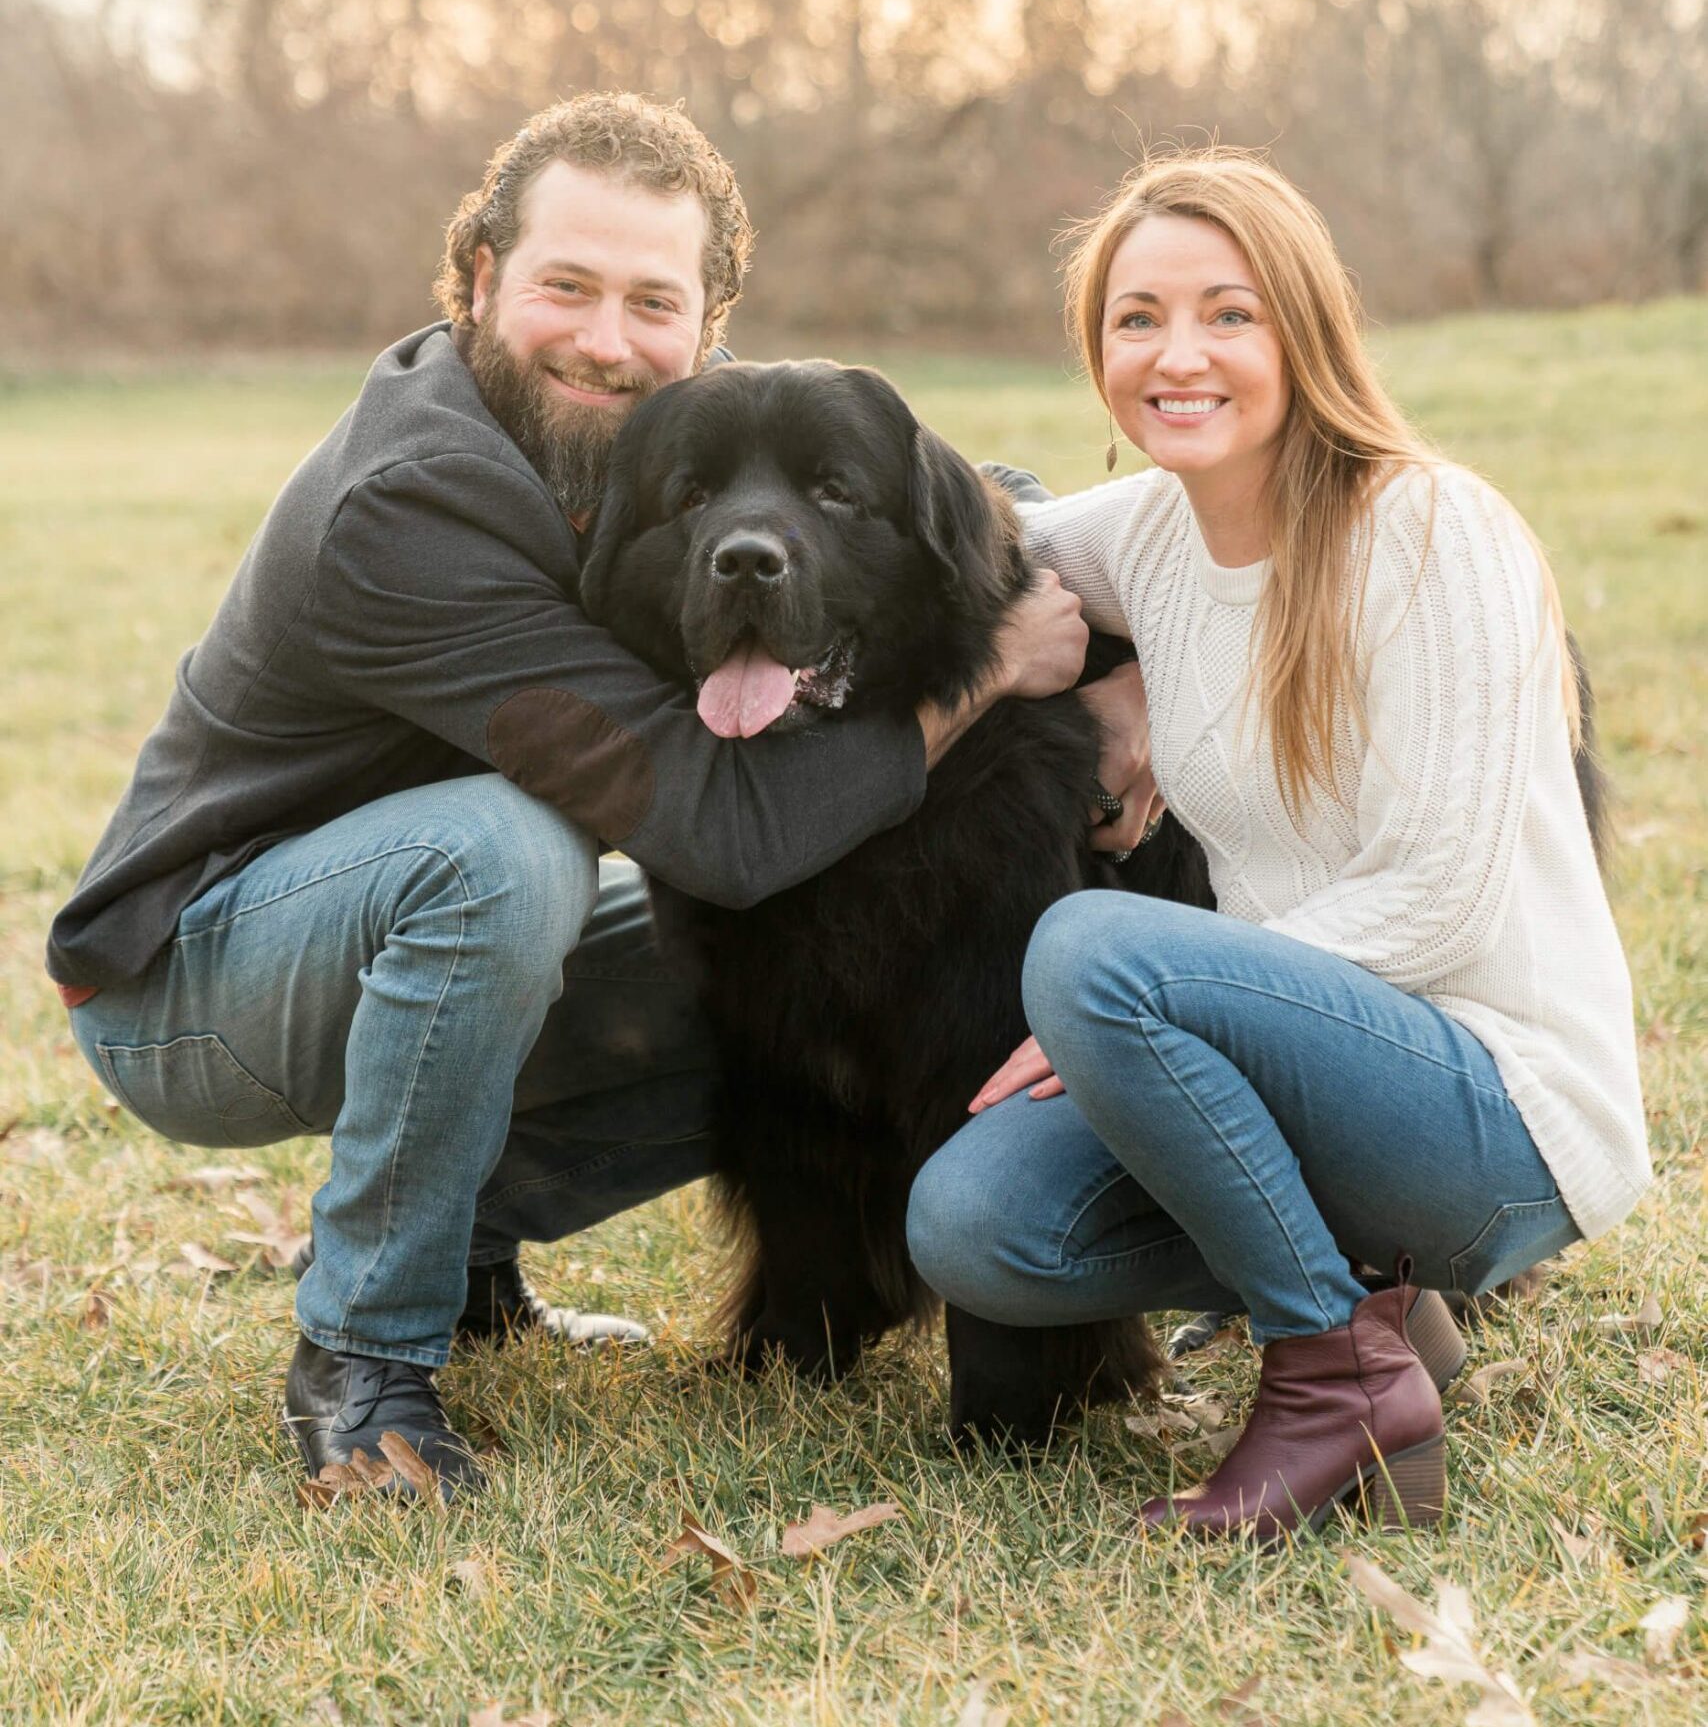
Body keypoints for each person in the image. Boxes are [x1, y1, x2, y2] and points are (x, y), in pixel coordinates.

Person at [46, 93, 1095, 1498]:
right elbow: (723, 831)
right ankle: (365, 1353)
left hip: (379, 942)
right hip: (194, 981)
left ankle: (480, 1259)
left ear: (708, 324)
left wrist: (1121, 659)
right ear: (479, 276)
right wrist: (989, 674)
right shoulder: (408, 511)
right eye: (565, 286)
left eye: (650, 299)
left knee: (758, 958)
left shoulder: (649, 453)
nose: (606, 338)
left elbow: (956, 493)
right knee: (507, 862)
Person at [906, 149, 1651, 1542]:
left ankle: (1330, 1371)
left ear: (1304, 328)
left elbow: (1437, 902)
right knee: (974, 1222)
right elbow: (957, 535)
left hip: (1500, 1112)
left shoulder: (1435, 529)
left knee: (1090, 950)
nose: (1177, 354)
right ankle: (1384, 1303)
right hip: (1319, 1093)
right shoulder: (1152, 532)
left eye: (1227, 313)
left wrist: (1133, 1001)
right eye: (1137, 319)